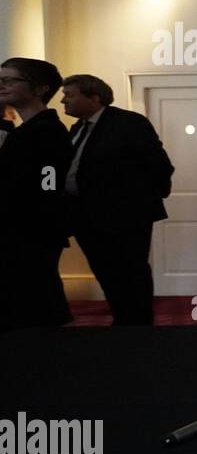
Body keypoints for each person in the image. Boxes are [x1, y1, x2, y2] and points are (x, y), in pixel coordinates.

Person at [59, 75, 173, 325]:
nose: (62, 100)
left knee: (131, 271)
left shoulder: (128, 123)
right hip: (85, 215)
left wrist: (142, 200)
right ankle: (123, 319)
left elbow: (159, 165)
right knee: (106, 273)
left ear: (94, 97)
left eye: (69, 94)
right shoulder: (77, 128)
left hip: (125, 215)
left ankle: (138, 326)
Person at [0, 58, 73, 331]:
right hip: (27, 227)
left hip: (31, 229)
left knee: (35, 303)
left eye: (9, 80)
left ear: (40, 89)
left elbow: (48, 182)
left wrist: (37, 215)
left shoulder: (46, 131)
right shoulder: (27, 130)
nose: (2, 86)